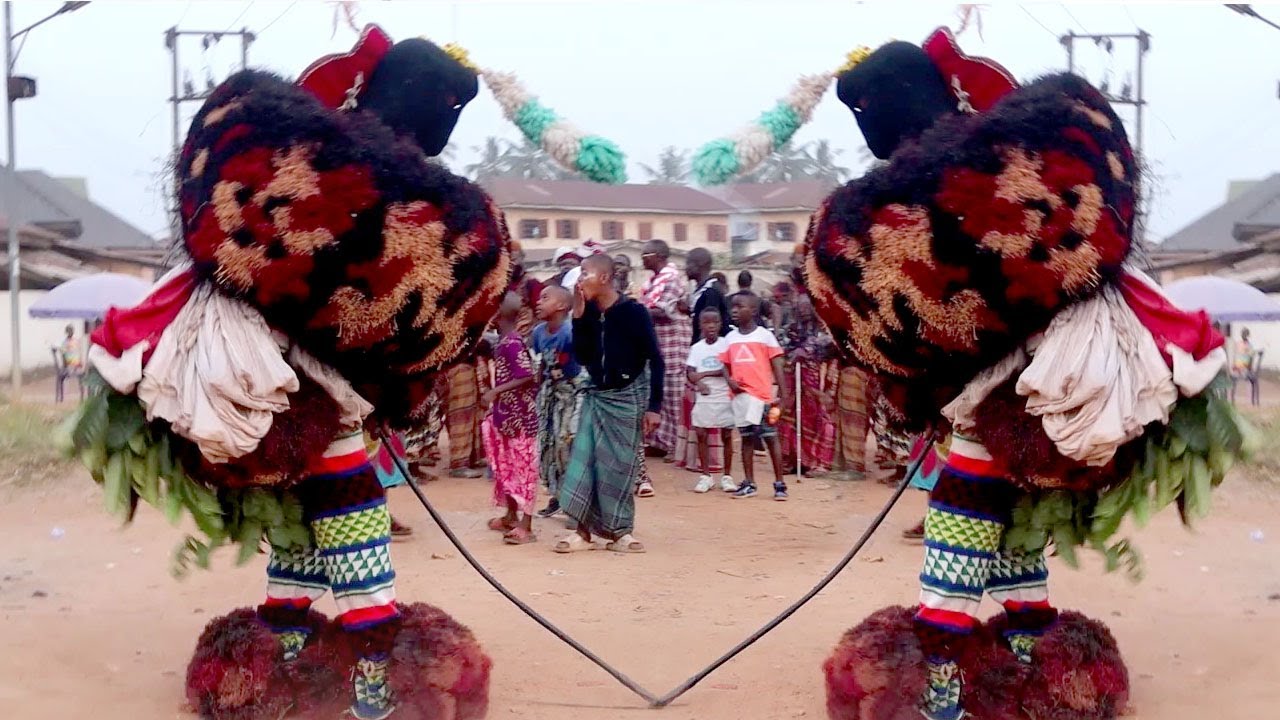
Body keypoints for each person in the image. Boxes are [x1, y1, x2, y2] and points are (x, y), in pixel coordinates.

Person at [555, 253, 662, 553]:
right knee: (585, 463)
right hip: (596, 397)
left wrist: (654, 407)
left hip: (627, 398)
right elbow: (583, 357)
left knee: (619, 466)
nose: (579, 280)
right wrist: (577, 317)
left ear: (604, 278)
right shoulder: (587, 312)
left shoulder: (634, 312)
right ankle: (582, 532)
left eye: (585, 273)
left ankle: (620, 533)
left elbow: (655, 359)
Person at [480, 293, 540, 545]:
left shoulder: (512, 342)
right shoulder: (504, 341)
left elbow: (527, 376)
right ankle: (510, 516)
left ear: (497, 314)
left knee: (523, 469)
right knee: (507, 466)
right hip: (507, 416)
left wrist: (495, 392)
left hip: (520, 419)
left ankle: (526, 526)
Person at [721, 293, 791, 500]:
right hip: (740, 398)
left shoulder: (764, 336)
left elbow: (777, 364)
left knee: (770, 438)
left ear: (753, 311)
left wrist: (784, 395)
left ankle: (780, 484)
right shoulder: (730, 338)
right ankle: (750, 483)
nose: (734, 310)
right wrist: (730, 381)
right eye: (732, 307)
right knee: (747, 439)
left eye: (739, 306)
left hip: (761, 397)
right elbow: (725, 364)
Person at [531, 285, 586, 518]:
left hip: (572, 394)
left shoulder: (569, 332)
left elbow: (576, 370)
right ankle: (558, 496)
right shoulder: (538, 332)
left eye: (546, 298)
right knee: (549, 446)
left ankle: (575, 501)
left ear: (562, 306)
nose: (538, 302)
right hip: (550, 394)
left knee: (567, 444)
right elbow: (541, 365)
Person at [639, 239, 690, 474]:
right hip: (657, 342)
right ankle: (659, 442)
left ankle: (674, 445)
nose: (641, 258)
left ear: (658, 255)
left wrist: (637, 312)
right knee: (656, 391)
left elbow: (665, 311)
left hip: (672, 343)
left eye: (645, 254)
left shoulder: (670, 279)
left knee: (672, 394)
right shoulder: (652, 281)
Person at [777, 295, 836, 476]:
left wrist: (807, 350)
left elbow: (829, 344)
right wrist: (793, 350)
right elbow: (781, 344)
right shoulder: (792, 327)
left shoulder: (823, 326)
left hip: (816, 377)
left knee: (819, 418)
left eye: (806, 306)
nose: (802, 310)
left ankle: (818, 462)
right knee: (789, 417)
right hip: (794, 378)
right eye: (799, 306)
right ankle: (794, 460)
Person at [687, 307, 737, 493]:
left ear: (720, 324)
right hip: (704, 396)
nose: (711, 326)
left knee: (726, 434)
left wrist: (704, 374)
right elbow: (690, 373)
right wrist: (699, 384)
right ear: (701, 325)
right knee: (701, 433)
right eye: (706, 322)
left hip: (723, 395)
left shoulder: (726, 345)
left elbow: (727, 370)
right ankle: (706, 476)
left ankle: (727, 476)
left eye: (714, 322)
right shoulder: (697, 348)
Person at [507, 241, 544, 337]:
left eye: (514, 259)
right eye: (508, 261)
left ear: (522, 258)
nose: (511, 264)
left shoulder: (532, 283)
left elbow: (542, 314)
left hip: (526, 336)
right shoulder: (499, 285)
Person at [1230, 327, 1260, 406]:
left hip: (1236, 370)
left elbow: (1235, 357)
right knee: (1252, 377)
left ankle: (1232, 398)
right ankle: (1254, 401)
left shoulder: (1238, 344)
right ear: (1248, 336)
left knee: (1235, 376)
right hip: (1244, 370)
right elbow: (1250, 360)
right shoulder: (1249, 346)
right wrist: (1250, 369)